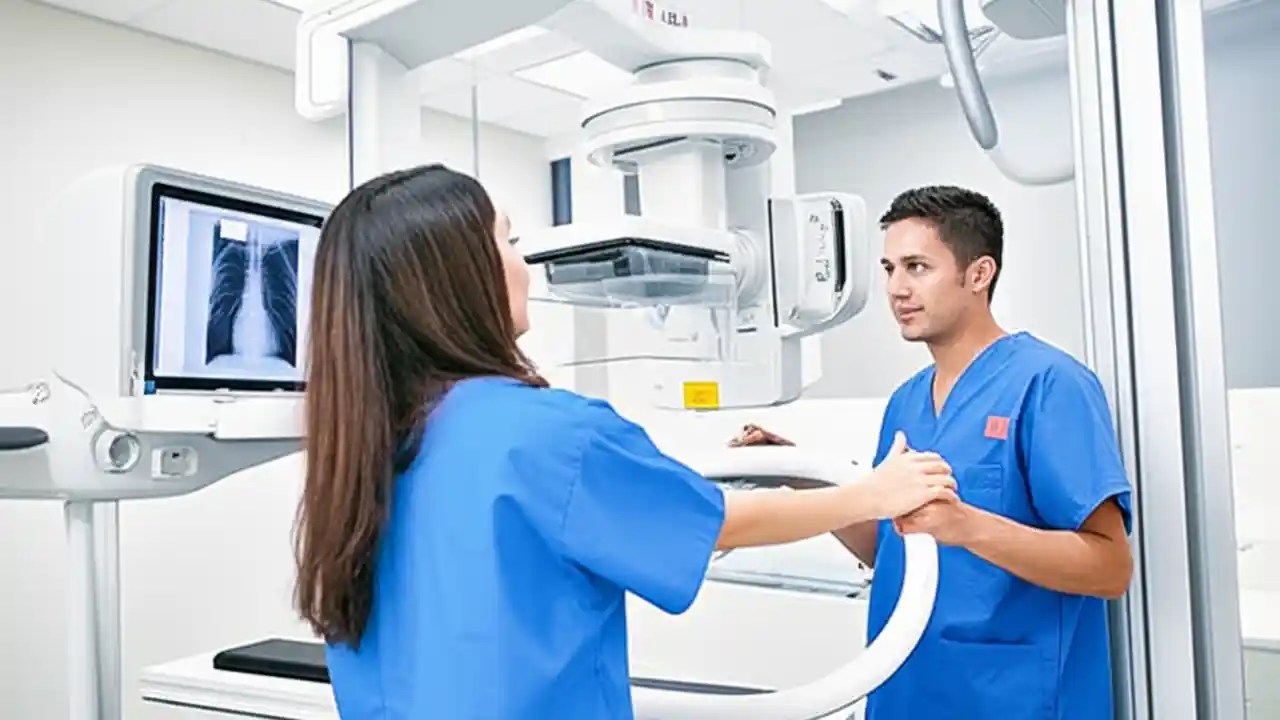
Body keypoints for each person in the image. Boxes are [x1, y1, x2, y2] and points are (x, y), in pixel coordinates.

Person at [291, 164, 958, 719]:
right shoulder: (547, 433)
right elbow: (719, 521)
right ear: (459, 279)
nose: (524, 265)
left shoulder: (363, 447)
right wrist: (870, 492)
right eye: (510, 242)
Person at [732, 185, 1134, 720]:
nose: (897, 288)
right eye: (889, 268)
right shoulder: (906, 402)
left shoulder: (1049, 384)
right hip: (904, 688)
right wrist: (807, 479)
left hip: (1012, 697)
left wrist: (966, 524)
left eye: (917, 267)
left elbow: (1109, 567)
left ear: (978, 274)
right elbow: (894, 548)